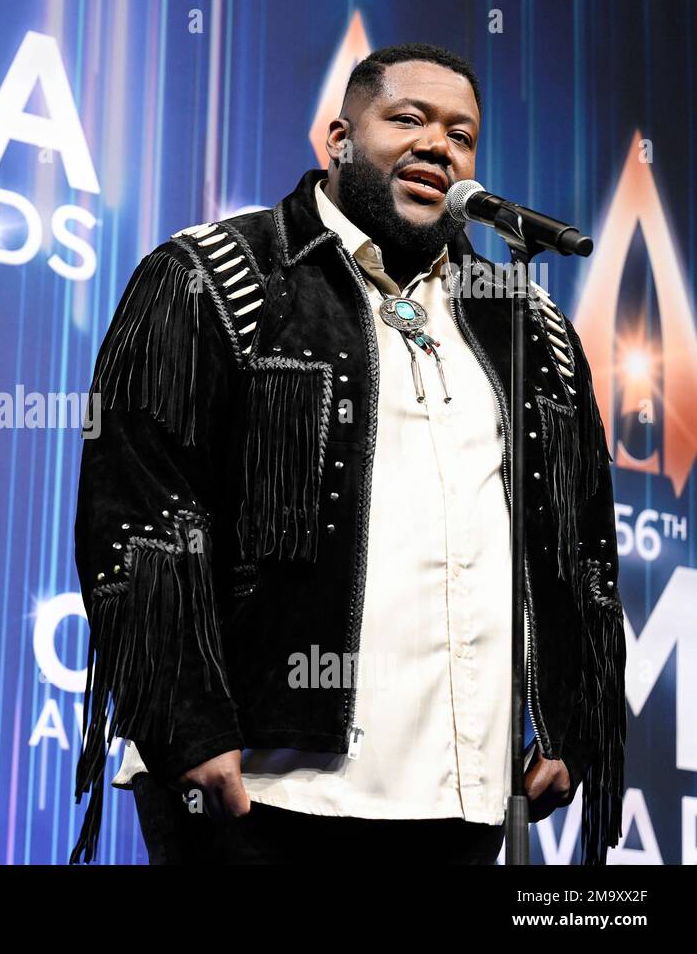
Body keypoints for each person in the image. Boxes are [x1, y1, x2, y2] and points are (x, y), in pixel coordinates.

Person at [70, 43, 626, 865]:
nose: (438, 144)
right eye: (408, 119)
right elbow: (141, 507)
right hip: (264, 780)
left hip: (461, 793)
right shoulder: (212, 276)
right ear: (338, 137)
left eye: (461, 134)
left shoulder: (527, 326)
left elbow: (582, 542)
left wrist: (574, 719)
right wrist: (184, 721)